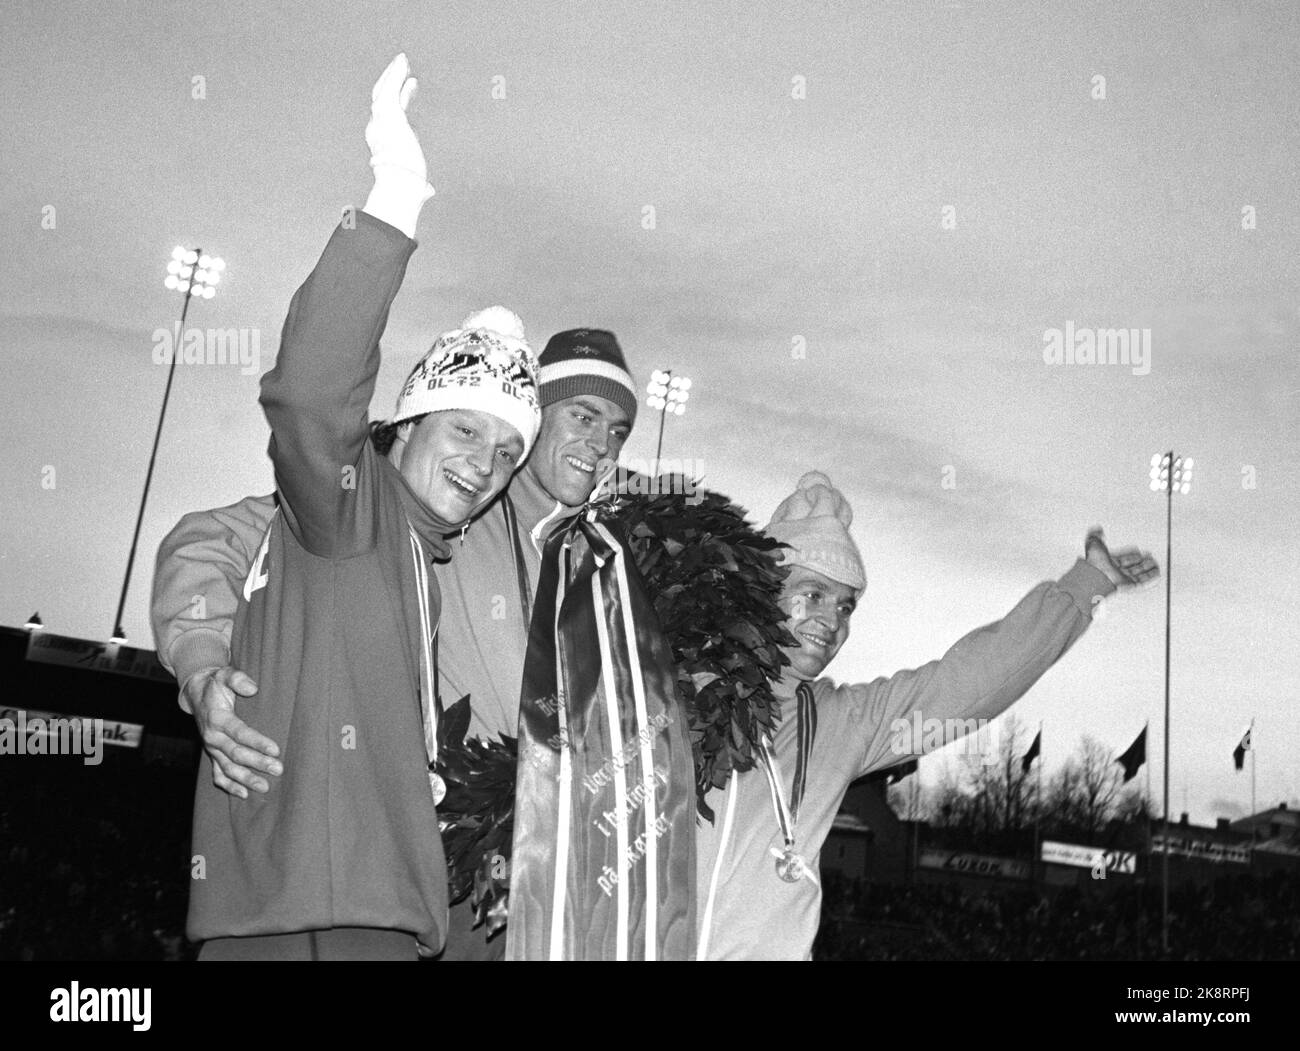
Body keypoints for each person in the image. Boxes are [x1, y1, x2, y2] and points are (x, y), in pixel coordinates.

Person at [175, 53, 543, 961]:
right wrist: (395, 200)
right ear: (407, 422)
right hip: (314, 915)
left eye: (506, 452)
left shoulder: (419, 554)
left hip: (360, 915)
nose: (484, 463)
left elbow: (207, 541)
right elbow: (308, 395)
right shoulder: (354, 508)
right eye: (464, 431)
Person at [694, 471, 1160, 960]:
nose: (832, 621)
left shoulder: (838, 723)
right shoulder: (673, 687)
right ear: (765, 591)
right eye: (812, 594)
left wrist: (1088, 583)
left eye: (846, 606)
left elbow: (970, 683)